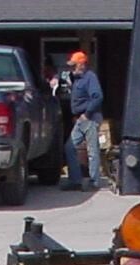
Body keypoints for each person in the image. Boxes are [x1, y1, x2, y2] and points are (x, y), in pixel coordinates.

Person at [60, 50, 104, 191]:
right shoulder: (76, 79)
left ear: (82, 64)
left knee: (92, 150)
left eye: (74, 65)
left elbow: (98, 97)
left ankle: (94, 182)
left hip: (90, 118)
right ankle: (75, 180)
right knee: (70, 147)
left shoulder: (90, 77)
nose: (71, 69)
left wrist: (87, 113)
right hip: (80, 119)